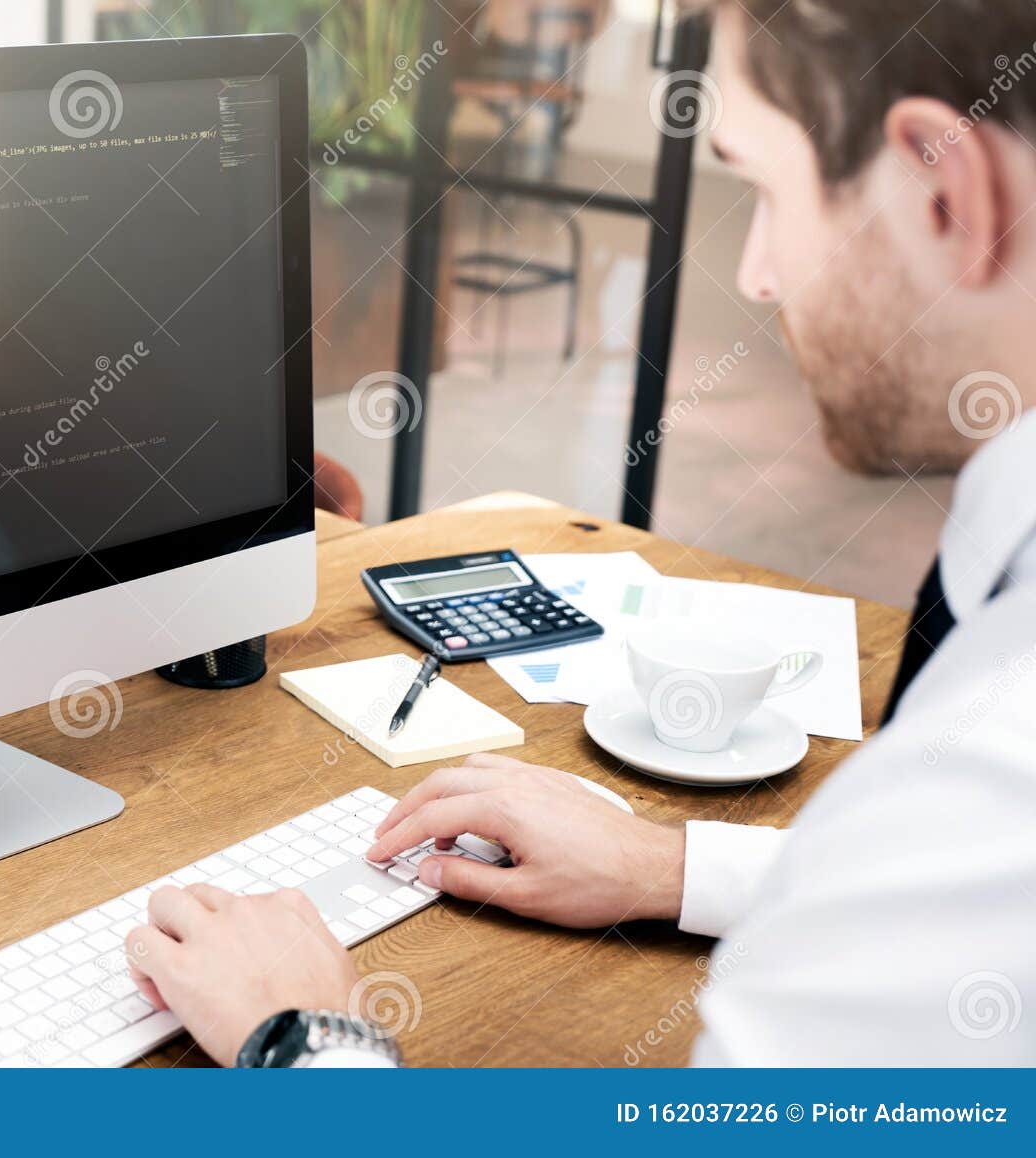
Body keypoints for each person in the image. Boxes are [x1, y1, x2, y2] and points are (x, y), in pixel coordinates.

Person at [125, 0, 1036, 1067]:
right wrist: (673, 869)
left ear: (947, 190)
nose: (756, 275)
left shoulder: (996, 767)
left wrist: (305, 1033)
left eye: (761, 188)